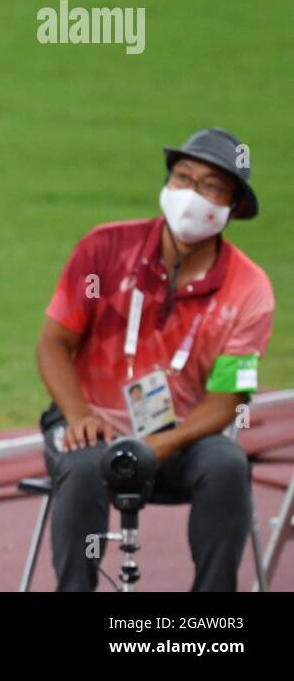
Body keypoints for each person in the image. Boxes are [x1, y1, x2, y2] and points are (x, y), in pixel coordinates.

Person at [35, 127, 274, 590]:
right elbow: (53, 344)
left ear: (233, 207)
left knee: (227, 464)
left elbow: (228, 401)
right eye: (182, 177)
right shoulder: (104, 248)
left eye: (209, 186)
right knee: (84, 465)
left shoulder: (251, 290)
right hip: (91, 425)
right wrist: (79, 415)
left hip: (181, 438)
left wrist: (162, 444)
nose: (190, 194)